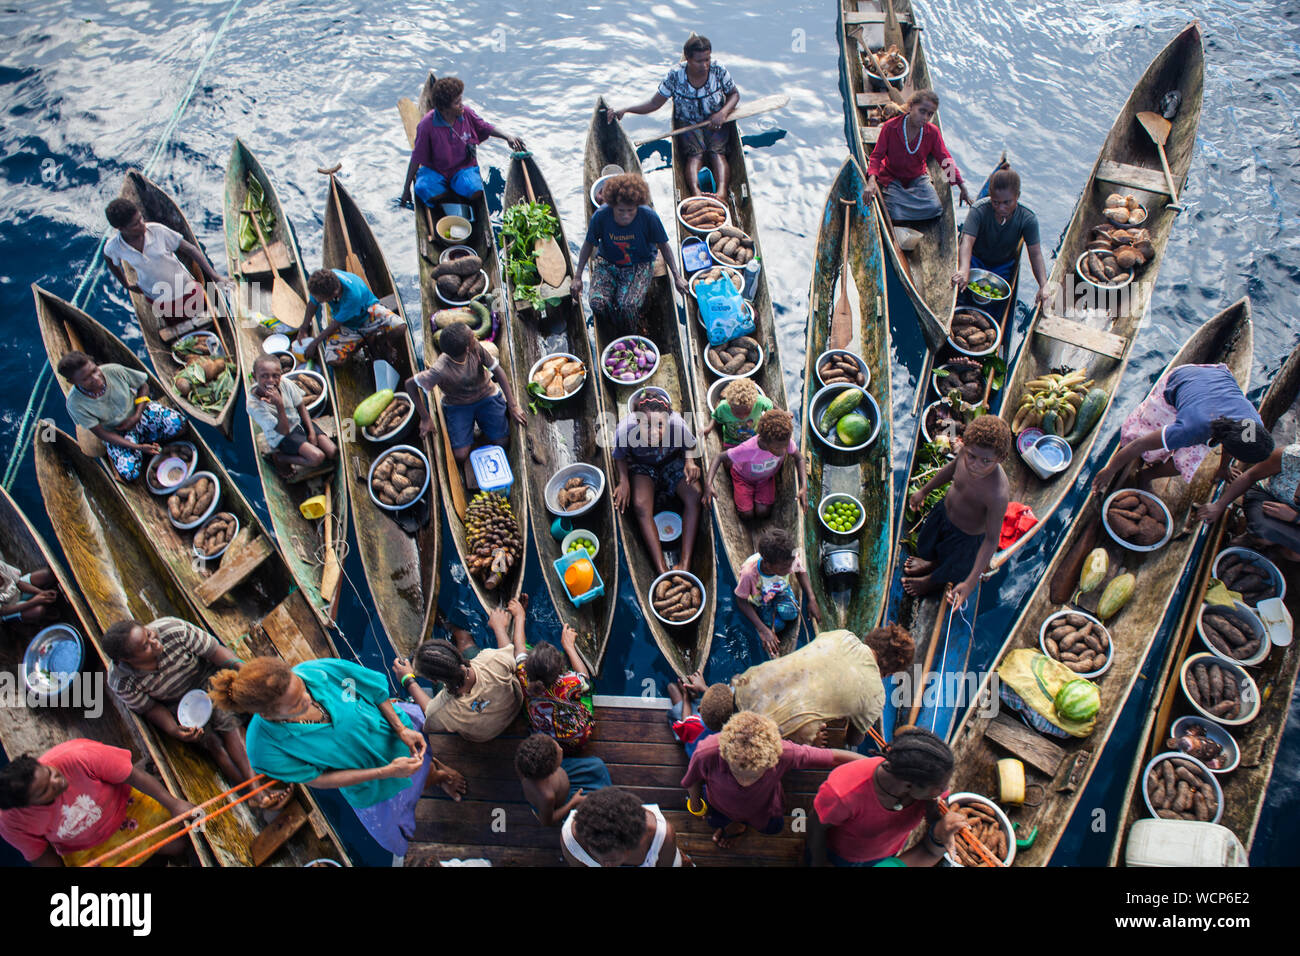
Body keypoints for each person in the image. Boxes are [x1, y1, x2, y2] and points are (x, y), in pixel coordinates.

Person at [210, 656, 466, 858]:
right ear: (269, 715)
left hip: (394, 736)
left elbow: (373, 692)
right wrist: (386, 772)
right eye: (297, 704)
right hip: (368, 782)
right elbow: (320, 779)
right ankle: (432, 774)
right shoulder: (265, 749)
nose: (308, 699)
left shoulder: (318, 671)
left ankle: (439, 773)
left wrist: (401, 729)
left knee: (425, 765)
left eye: (302, 689)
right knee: (399, 804)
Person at [101, 616, 288, 810]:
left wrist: (243, 668)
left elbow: (214, 651)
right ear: (127, 660)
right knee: (213, 744)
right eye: (145, 647)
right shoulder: (120, 681)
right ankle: (256, 792)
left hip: (206, 678)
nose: (154, 642)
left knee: (228, 723)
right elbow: (150, 708)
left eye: (149, 635)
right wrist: (174, 729)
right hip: (179, 706)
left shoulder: (172, 629)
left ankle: (256, 788)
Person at [688, 626, 914, 747]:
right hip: (768, 732)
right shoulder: (876, 695)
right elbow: (853, 740)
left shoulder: (844, 636)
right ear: (891, 671)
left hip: (748, 685)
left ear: (872, 639)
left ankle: (707, 694)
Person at [0, 738, 197, 867]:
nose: (57, 781)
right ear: (28, 804)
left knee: (179, 845)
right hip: (84, 847)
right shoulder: (11, 823)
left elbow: (134, 776)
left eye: (50, 772)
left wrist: (174, 804)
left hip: (124, 808)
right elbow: (42, 856)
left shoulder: (78, 755)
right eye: (45, 790)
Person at [682, 710, 861, 849]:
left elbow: (832, 757)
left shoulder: (783, 752)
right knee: (713, 821)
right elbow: (692, 780)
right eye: (738, 773)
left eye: (755, 774)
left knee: (774, 827)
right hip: (720, 807)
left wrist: (880, 765)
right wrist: (697, 806)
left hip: (764, 810)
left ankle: (738, 826)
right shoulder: (706, 752)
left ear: (772, 758)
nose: (745, 783)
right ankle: (736, 826)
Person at [1094, 364, 1272, 492]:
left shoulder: (1253, 425)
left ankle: (1147, 475)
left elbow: (1233, 444)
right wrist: (1110, 470)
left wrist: (1224, 468)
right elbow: (1138, 445)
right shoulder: (1193, 428)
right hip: (1181, 380)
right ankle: (1144, 473)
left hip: (1213, 384)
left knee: (1188, 460)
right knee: (1153, 448)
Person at [808, 726, 967, 867]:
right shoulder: (842, 793)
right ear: (909, 785)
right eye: (939, 789)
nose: (946, 791)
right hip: (841, 856)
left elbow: (934, 817)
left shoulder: (928, 792)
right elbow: (816, 827)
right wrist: (818, 861)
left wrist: (938, 822)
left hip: (888, 853)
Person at [606, 34, 739, 199]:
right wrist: (626, 110)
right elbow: (654, 103)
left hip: (716, 121)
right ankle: (696, 193)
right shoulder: (675, 75)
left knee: (716, 153)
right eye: (699, 61)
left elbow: (734, 95)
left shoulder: (718, 69)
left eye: (707, 59)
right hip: (688, 123)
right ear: (688, 60)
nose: (705, 65)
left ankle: (722, 193)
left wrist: (722, 113)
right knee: (695, 154)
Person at [904, 415, 1012, 607]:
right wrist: (924, 491)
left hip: (966, 538)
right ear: (965, 447)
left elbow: (991, 540)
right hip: (943, 514)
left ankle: (930, 582)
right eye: (971, 456)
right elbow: (950, 470)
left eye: (985, 461)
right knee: (926, 545)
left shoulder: (997, 494)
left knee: (952, 568)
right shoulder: (964, 454)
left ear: (1000, 458)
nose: (975, 465)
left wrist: (969, 583)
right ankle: (931, 562)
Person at [406, 324, 525, 489]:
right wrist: (425, 418)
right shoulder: (439, 370)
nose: (475, 338)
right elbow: (410, 385)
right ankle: (474, 439)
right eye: (472, 337)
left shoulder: (476, 347)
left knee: (503, 442)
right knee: (461, 455)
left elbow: (498, 372)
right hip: (458, 405)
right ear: (467, 348)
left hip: (486, 395)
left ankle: (481, 433)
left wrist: (513, 406)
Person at [394, 597, 528, 743]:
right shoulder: (491, 661)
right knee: (464, 638)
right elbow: (507, 653)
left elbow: (428, 710)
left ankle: (438, 621)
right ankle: (445, 623)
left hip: (486, 736)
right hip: (514, 708)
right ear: (457, 655)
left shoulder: (442, 709)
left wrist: (408, 679)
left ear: (434, 680)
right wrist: (499, 627)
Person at [572, 172, 689, 328]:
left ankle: (633, 328)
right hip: (608, 263)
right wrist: (578, 276)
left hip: (639, 263)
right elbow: (588, 245)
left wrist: (677, 276)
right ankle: (612, 324)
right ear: (612, 205)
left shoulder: (648, 216)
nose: (626, 215)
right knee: (597, 303)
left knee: (627, 306)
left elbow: (664, 246)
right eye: (621, 211)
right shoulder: (601, 216)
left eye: (631, 210)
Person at [611, 388, 703, 574]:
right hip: (643, 467)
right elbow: (619, 456)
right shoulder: (625, 430)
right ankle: (661, 569)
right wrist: (624, 481)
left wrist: (690, 462)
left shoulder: (677, 424)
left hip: (671, 462)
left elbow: (690, 445)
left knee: (695, 494)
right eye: (647, 426)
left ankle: (685, 563)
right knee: (639, 505)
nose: (653, 432)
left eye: (659, 425)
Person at [56, 351, 186, 481]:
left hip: (140, 414)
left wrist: (136, 416)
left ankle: (144, 440)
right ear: (72, 381)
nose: (95, 378)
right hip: (117, 434)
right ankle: (141, 446)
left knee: (180, 424)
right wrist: (138, 447)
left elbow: (143, 386)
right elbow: (102, 434)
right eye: (86, 379)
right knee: (129, 474)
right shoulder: (75, 404)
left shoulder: (114, 371)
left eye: (94, 370)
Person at [400, 76, 525, 207]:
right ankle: (448, 197)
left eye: (461, 100)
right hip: (436, 170)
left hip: (462, 169)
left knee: (475, 191)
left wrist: (507, 137)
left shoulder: (466, 114)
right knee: (422, 188)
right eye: (456, 103)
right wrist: (406, 189)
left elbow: (484, 127)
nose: (461, 105)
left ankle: (451, 193)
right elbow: (416, 158)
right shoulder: (426, 125)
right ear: (444, 109)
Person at [103, 197, 225, 324]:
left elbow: (191, 249)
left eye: (141, 218)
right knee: (179, 326)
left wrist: (215, 276)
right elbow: (108, 258)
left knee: (210, 318)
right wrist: (125, 284)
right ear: (121, 229)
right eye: (135, 224)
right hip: (157, 297)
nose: (142, 224)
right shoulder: (114, 247)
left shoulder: (157, 231)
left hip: (186, 288)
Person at [951, 163, 1052, 307]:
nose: (1001, 208)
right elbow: (967, 242)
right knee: (960, 292)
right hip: (975, 260)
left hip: (1002, 266)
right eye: (995, 202)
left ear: (1017, 196)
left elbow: (1035, 253)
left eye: (1007, 202)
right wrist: (963, 270)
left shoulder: (1027, 219)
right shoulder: (979, 210)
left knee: (996, 304)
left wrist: (1043, 285)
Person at [864, 89, 972, 222]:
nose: (925, 118)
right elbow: (876, 156)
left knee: (935, 208)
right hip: (892, 176)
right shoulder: (890, 127)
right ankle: (904, 203)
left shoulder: (932, 132)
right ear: (910, 107)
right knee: (892, 212)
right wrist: (871, 181)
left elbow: (945, 159)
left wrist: (962, 187)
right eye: (922, 111)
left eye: (930, 114)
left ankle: (905, 203)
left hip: (917, 177)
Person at [1197, 440, 1300, 560]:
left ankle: (1272, 549)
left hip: (1295, 517)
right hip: (1266, 498)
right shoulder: (1290, 456)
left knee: (1295, 554)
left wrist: (1295, 517)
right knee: (1264, 531)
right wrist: (1219, 505)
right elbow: (1250, 476)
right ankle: (1254, 538)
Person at [702, 408, 808, 523]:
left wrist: (803, 486)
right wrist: (708, 484)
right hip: (743, 478)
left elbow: (800, 458)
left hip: (765, 479)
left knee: (763, 512)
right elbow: (719, 457)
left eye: (786, 445)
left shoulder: (783, 441)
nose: (784, 451)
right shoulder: (748, 449)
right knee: (747, 514)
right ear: (766, 442)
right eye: (778, 448)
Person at [730, 527, 822, 658]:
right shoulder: (749, 574)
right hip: (762, 602)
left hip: (781, 592)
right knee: (778, 626)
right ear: (768, 565)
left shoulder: (789, 557)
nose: (791, 570)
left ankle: (773, 618)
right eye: (785, 568)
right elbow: (741, 601)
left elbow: (801, 572)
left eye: (791, 565)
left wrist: (812, 599)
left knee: (791, 614)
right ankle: (767, 622)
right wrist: (763, 629)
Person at [247, 353, 337, 476]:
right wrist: (279, 404)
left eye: (275, 376)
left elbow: (301, 406)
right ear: (254, 376)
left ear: (280, 375)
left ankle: (306, 444)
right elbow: (283, 431)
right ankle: (281, 458)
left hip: (298, 423)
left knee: (332, 451)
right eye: (264, 376)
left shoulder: (284, 382)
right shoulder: (254, 405)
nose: (270, 381)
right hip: (282, 436)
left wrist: (311, 432)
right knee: (318, 457)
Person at [297, 268, 406, 367]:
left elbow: (335, 324)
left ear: (334, 294)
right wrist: (303, 328)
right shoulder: (321, 283)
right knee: (333, 360)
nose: (318, 300)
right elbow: (312, 303)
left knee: (400, 327)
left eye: (321, 300)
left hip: (368, 314)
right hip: (348, 325)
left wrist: (314, 343)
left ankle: (382, 341)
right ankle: (362, 342)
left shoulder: (352, 296)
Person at [561, 786, 689, 867]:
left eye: (612, 860)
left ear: (632, 845)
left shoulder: (662, 836)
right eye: (596, 855)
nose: (607, 866)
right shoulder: (570, 839)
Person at [517, 625, 594, 750]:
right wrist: (569, 647)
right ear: (561, 670)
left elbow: (520, 650)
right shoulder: (570, 682)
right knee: (588, 691)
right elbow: (585, 679)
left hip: (546, 741)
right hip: (578, 738)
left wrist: (519, 616)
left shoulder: (523, 679)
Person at [514, 733, 611, 827]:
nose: (560, 749)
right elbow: (547, 822)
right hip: (568, 797)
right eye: (558, 752)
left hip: (567, 772)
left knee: (597, 765)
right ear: (553, 770)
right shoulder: (547, 796)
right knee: (602, 800)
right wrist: (573, 803)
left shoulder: (522, 764)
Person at [667, 670, 734, 759]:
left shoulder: (698, 739)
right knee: (735, 679)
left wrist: (685, 695)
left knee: (671, 687)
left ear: (700, 709)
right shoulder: (731, 725)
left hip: (689, 735)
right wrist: (703, 687)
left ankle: (692, 695)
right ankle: (694, 695)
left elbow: (685, 725)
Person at [700, 376, 773, 449]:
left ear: (754, 403)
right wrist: (709, 428)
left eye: (747, 412)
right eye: (737, 412)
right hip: (731, 440)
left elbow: (771, 405)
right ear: (730, 404)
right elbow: (716, 417)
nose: (742, 416)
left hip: (754, 437)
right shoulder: (723, 407)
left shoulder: (760, 401)